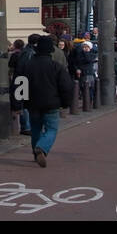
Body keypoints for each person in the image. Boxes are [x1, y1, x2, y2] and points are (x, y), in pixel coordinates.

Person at [21, 35, 74, 167]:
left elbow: (19, 83)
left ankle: (36, 153)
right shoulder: (56, 67)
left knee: (35, 129)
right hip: (52, 103)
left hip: (32, 103)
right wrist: (66, 103)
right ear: (51, 50)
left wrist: (18, 103)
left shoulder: (28, 65)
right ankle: (42, 148)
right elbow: (66, 86)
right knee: (51, 129)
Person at [9, 39, 34, 135]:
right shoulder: (31, 53)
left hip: (19, 80)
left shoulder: (15, 55)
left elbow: (11, 67)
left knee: (21, 104)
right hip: (28, 80)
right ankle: (28, 126)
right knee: (27, 104)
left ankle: (25, 126)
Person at [72, 40, 97, 104]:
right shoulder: (79, 54)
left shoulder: (92, 54)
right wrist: (77, 69)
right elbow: (76, 62)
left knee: (89, 88)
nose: (85, 48)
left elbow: (88, 60)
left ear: (90, 47)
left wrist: (87, 52)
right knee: (83, 88)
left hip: (89, 73)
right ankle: (86, 102)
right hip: (81, 73)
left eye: (87, 47)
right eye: (84, 47)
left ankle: (89, 102)